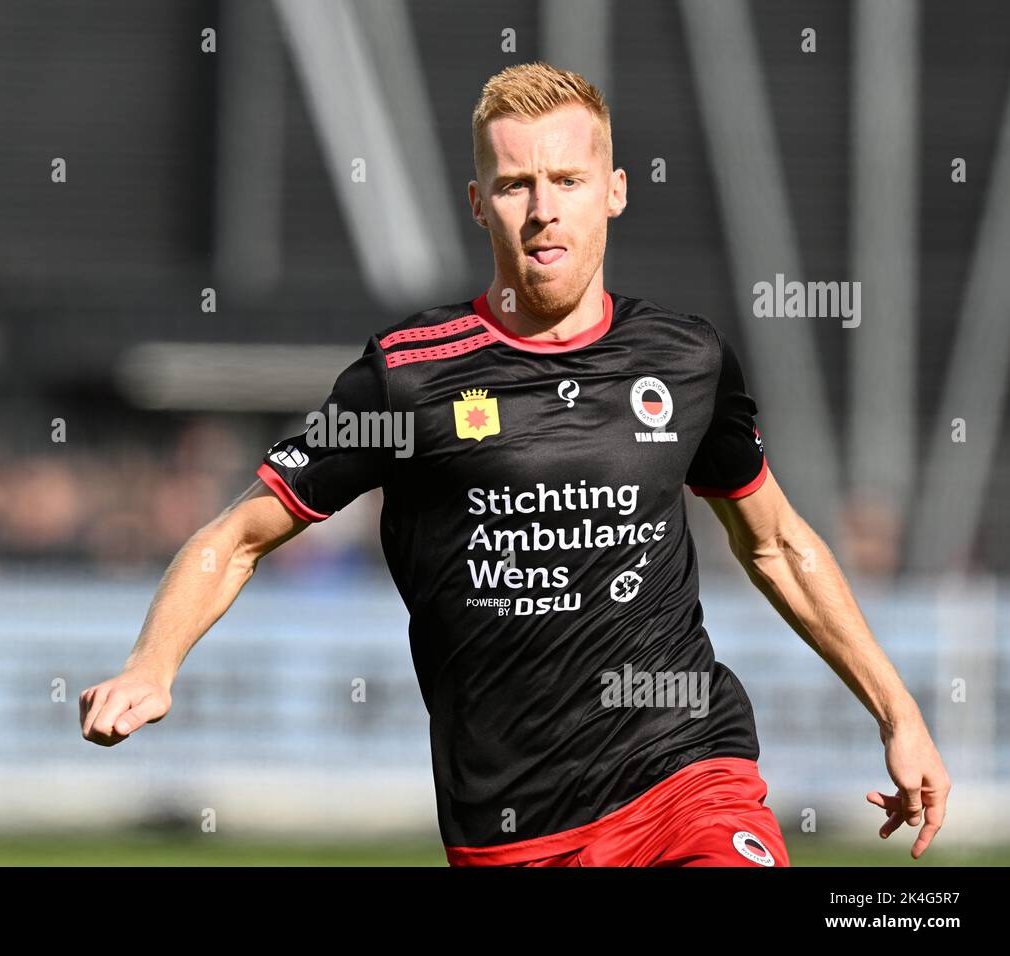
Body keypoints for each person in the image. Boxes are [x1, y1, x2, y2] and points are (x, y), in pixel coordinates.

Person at [80, 61, 949, 867]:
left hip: (687, 774)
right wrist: (151, 666)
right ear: (478, 201)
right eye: (515, 184)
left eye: (567, 181)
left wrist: (898, 714)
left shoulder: (685, 360)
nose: (543, 209)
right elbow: (237, 536)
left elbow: (775, 544)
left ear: (612, 192)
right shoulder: (407, 378)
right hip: (511, 826)